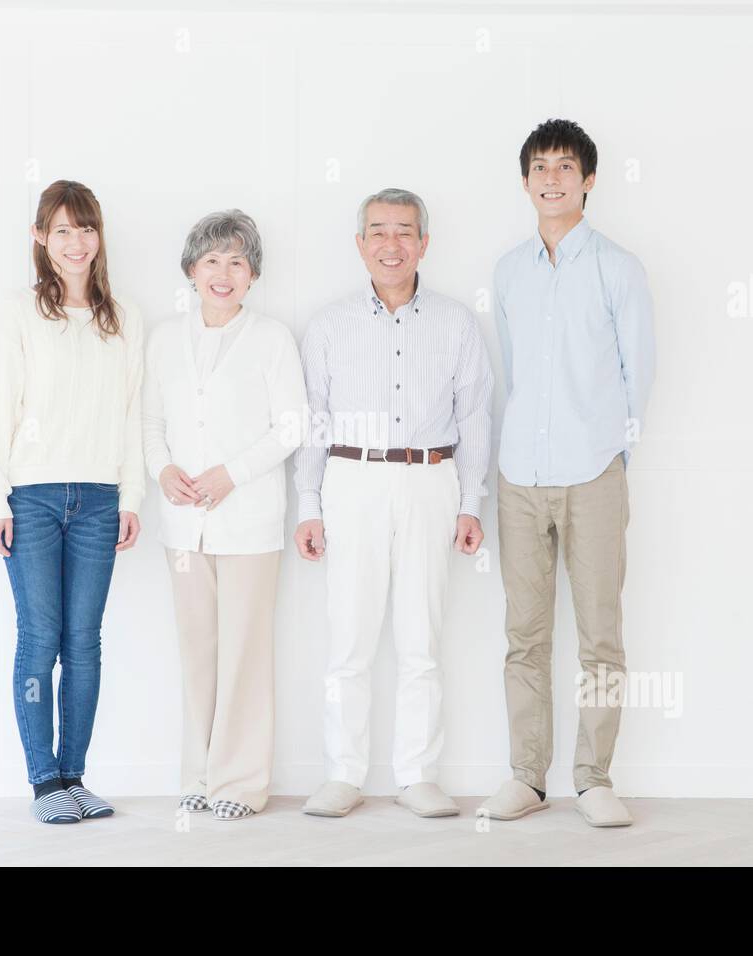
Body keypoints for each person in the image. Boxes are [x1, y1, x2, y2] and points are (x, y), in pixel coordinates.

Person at [294, 188, 494, 819]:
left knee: (421, 636)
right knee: (349, 638)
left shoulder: (457, 322)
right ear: (360, 244)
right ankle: (343, 774)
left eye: (404, 232)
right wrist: (308, 505)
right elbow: (313, 422)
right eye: (377, 231)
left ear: (424, 243)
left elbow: (476, 416)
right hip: (352, 479)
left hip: (430, 479)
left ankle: (417, 774)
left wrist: (471, 501)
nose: (391, 244)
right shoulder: (329, 325)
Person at [479, 119, 656, 827]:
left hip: (593, 473)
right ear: (525, 182)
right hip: (521, 473)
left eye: (566, 166)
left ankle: (595, 777)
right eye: (540, 166)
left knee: (600, 632)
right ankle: (527, 775)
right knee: (524, 634)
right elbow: (514, 371)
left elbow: (636, 375)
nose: (552, 177)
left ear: (588, 179)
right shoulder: (509, 270)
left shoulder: (619, 267)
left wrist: (610, 456)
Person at [0, 180, 145, 824]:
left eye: (86, 229)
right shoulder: (18, 313)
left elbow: (131, 413)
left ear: (99, 237)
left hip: (100, 498)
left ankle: (75, 776)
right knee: (39, 638)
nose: (76, 243)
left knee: (84, 641)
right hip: (34, 499)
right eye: (62, 230)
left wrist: (131, 495)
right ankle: (45, 784)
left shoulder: (123, 316)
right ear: (41, 238)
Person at [143, 210, 306, 821]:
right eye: (211, 260)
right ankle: (198, 771)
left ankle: (238, 782)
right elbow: (150, 422)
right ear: (191, 270)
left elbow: (292, 426)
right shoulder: (164, 339)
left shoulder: (271, 338)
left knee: (243, 651)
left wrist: (229, 475)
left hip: (249, 523)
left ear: (253, 274)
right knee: (197, 648)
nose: (223, 272)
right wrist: (163, 471)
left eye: (237, 261)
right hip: (183, 525)